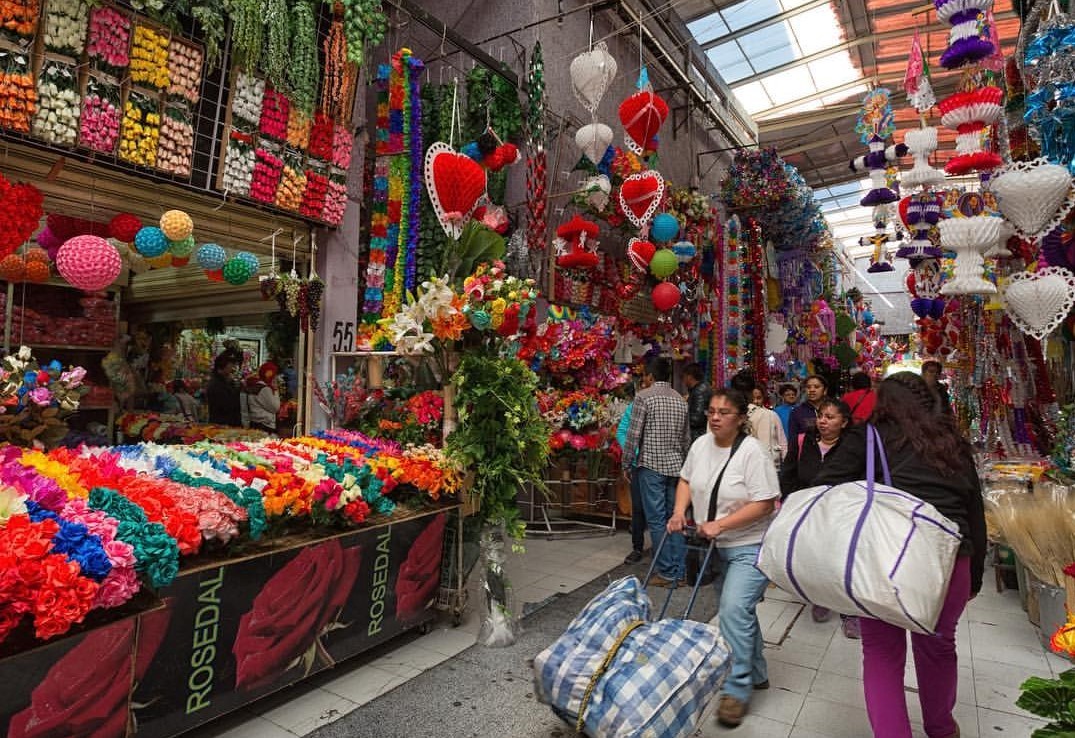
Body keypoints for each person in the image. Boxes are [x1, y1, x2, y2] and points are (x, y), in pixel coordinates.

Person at [812, 372, 986, 738]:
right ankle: (941, 728)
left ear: (882, 403)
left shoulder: (867, 438)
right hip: (950, 560)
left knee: (881, 653)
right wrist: (975, 575)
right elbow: (974, 510)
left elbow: (823, 485)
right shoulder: (951, 441)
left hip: (885, 562)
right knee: (938, 646)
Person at [668, 388, 779, 729]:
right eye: (711, 411)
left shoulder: (753, 453)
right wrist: (678, 511)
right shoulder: (701, 445)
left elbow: (765, 502)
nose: (715, 417)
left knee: (731, 610)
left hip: (750, 545)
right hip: (714, 548)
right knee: (738, 612)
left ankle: (737, 689)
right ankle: (758, 672)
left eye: (724, 412)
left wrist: (721, 524)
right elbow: (686, 479)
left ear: (741, 418)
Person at [779, 397, 860, 637]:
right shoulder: (803, 441)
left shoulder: (852, 448)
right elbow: (789, 474)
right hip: (809, 513)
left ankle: (849, 612)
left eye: (830, 417)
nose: (823, 421)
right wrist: (791, 503)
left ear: (844, 423)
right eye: (821, 416)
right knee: (817, 559)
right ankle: (821, 598)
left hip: (842, 515)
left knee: (844, 563)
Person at [622, 357, 690, 588]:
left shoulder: (644, 397)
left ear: (649, 377)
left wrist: (626, 463)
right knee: (676, 518)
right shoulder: (681, 401)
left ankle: (667, 572)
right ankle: (680, 572)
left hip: (651, 465)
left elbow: (633, 435)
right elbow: (686, 439)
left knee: (657, 520)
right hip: (677, 466)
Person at [616, 379, 648, 564]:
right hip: (640, 465)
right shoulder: (636, 405)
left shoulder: (670, 402)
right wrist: (634, 456)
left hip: (663, 465)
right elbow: (622, 432)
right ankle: (637, 547)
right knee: (638, 507)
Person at [730, 371, 787, 464]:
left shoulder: (767, 414)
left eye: (759, 397)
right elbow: (765, 450)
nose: (756, 401)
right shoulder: (764, 415)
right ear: (751, 393)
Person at [243, 361, 281, 434]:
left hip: (256, 422)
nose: (276, 377)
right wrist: (276, 390)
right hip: (265, 425)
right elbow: (275, 407)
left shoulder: (254, 386)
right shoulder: (264, 389)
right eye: (275, 375)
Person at [788, 374, 829, 440]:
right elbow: (793, 439)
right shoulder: (797, 412)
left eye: (816, 387)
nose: (812, 390)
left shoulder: (833, 409)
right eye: (808, 387)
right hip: (806, 449)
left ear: (825, 391)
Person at [206, 353, 242, 426]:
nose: (233, 368)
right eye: (231, 365)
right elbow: (227, 405)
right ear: (221, 367)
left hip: (230, 424)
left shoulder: (227, 381)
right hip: (222, 425)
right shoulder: (216, 384)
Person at [684, 363, 711, 442]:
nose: (683, 380)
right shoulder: (698, 389)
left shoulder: (700, 391)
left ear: (689, 376)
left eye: (684, 377)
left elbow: (697, 418)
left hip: (698, 436)